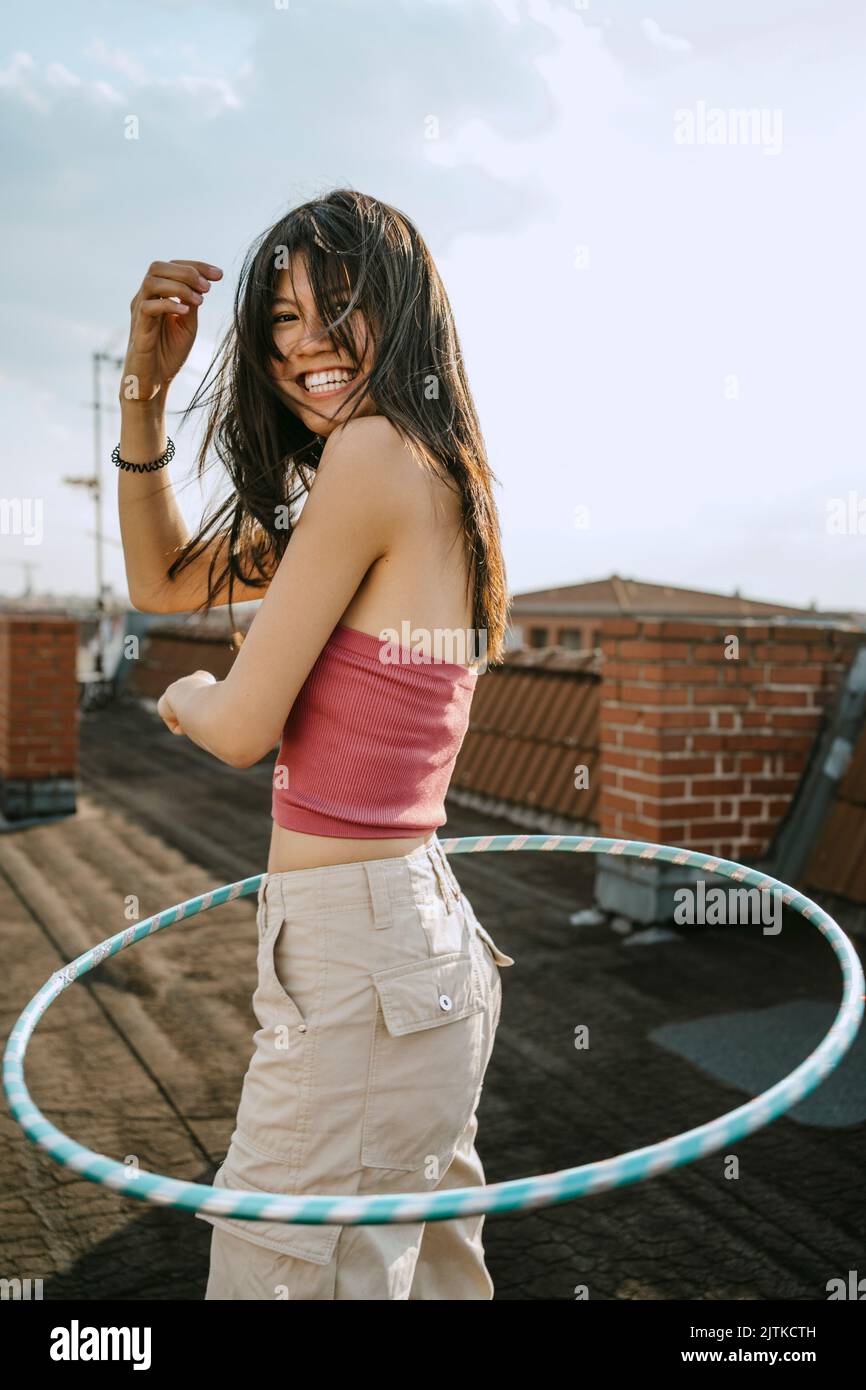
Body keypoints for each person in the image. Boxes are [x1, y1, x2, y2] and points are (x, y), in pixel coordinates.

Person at [115, 188, 515, 1300]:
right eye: (281, 319)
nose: (306, 345)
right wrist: (141, 394)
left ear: (404, 313)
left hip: (362, 961)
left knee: (274, 1274)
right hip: (409, 954)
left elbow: (239, 723)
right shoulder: (420, 470)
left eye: (339, 307)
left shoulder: (375, 457)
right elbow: (160, 582)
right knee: (424, 1280)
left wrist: (186, 692)